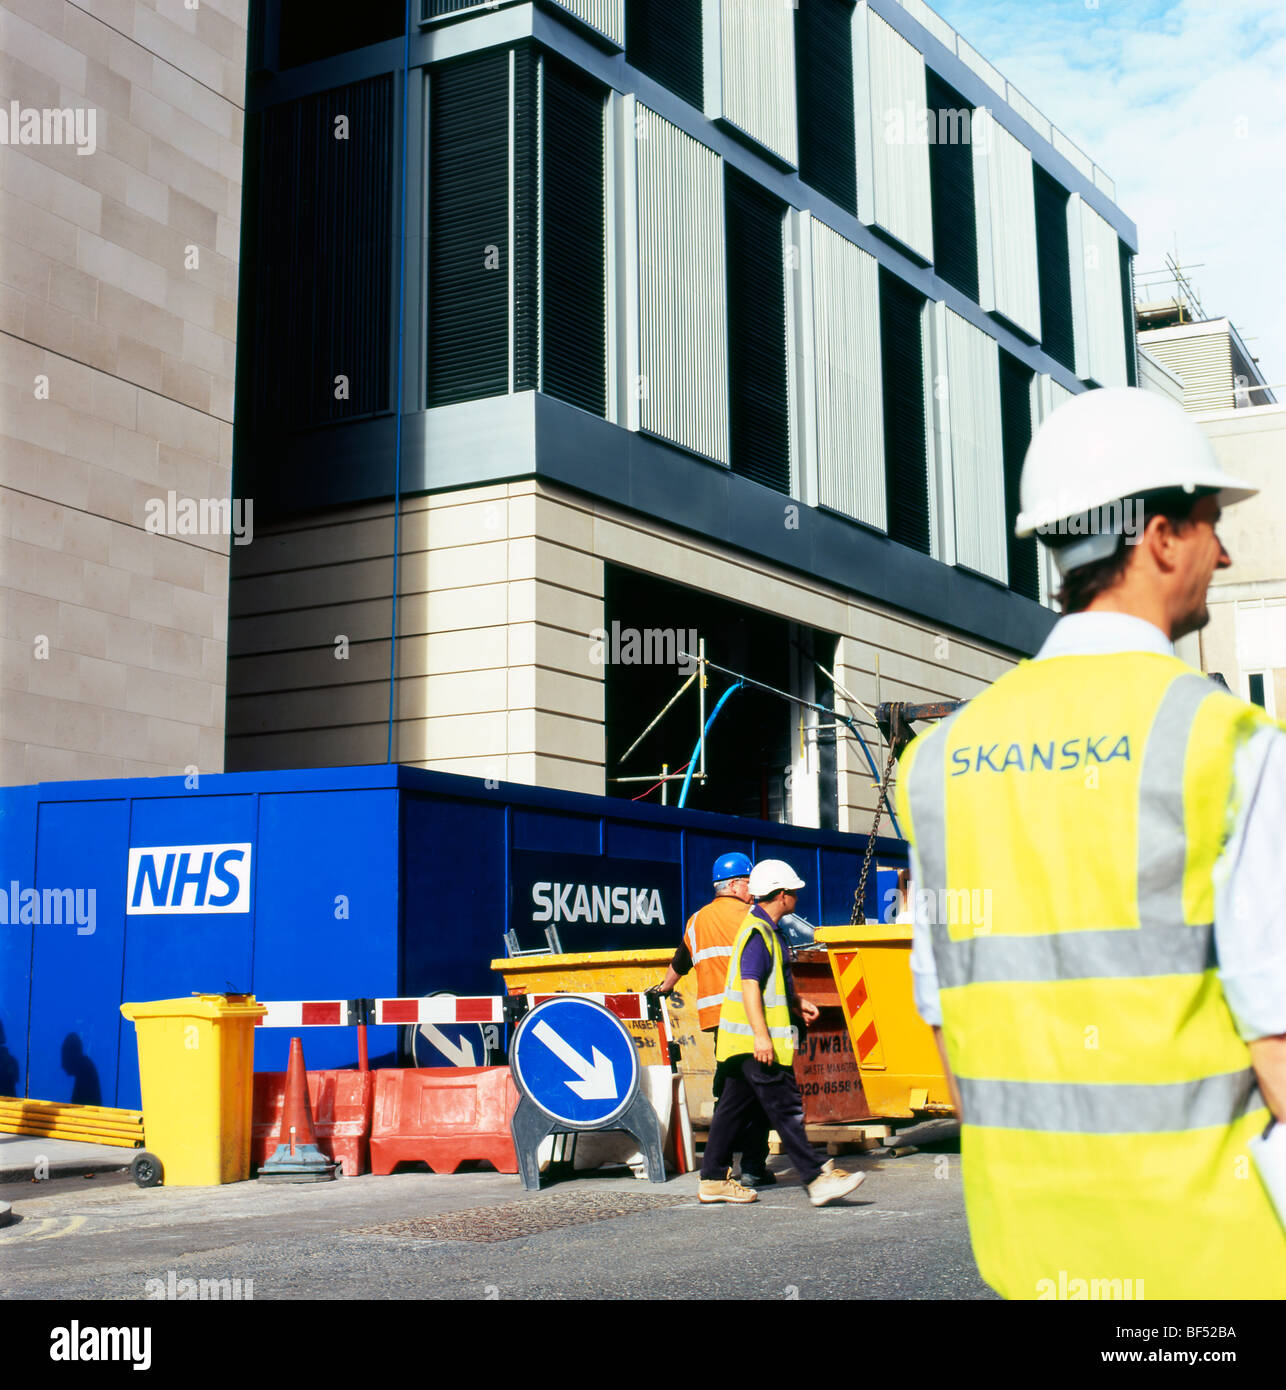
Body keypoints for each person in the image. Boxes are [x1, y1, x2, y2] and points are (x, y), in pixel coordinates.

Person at [897, 387, 1286, 1299]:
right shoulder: (1226, 743)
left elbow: (950, 1021)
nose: (1222, 552)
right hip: (1215, 1267)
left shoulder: (942, 758)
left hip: (1030, 1255)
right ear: (1156, 537)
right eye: (1206, 524)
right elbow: (1278, 1029)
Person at [697, 859, 867, 1208]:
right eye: (794, 892)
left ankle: (713, 1180)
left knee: (730, 1111)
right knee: (787, 1109)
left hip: (739, 1042)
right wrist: (761, 1036)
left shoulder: (766, 929)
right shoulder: (758, 932)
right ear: (781, 895)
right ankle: (816, 1179)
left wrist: (796, 1002)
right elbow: (749, 986)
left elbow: (769, 983)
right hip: (755, 1043)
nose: (797, 898)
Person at [652, 852, 774, 1187]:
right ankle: (751, 1167)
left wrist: (663, 988)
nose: (754, 889)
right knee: (761, 1090)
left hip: (721, 1023)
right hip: (753, 1018)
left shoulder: (697, 920)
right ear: (735, 885)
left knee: (731, 1091)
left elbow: (681, 961)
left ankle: (723, 1165)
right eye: (750, 882)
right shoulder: (753, 915)